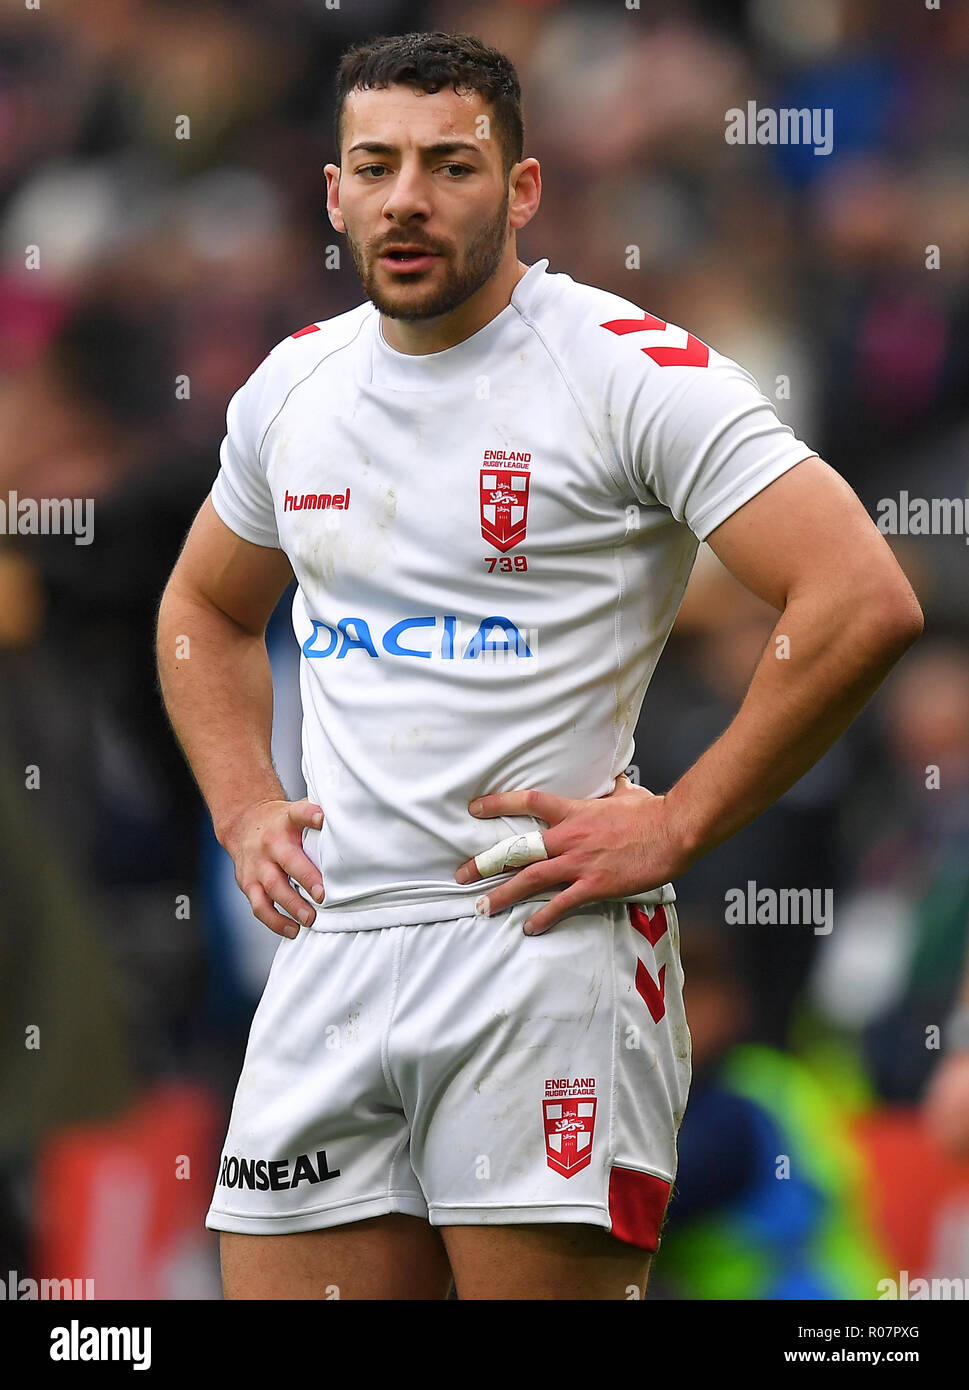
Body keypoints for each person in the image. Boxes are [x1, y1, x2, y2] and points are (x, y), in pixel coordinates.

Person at [156, 30, 923, 1300]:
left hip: (538, 944)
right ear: (335, 192)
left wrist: (679, 820)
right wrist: (242, 801)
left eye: (451, 165)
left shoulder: (627, 370)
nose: (409, 196)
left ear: (521, 191)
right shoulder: (292, 387)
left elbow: (860, 595)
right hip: (334, 951)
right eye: (377, 165)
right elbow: (205, 607)